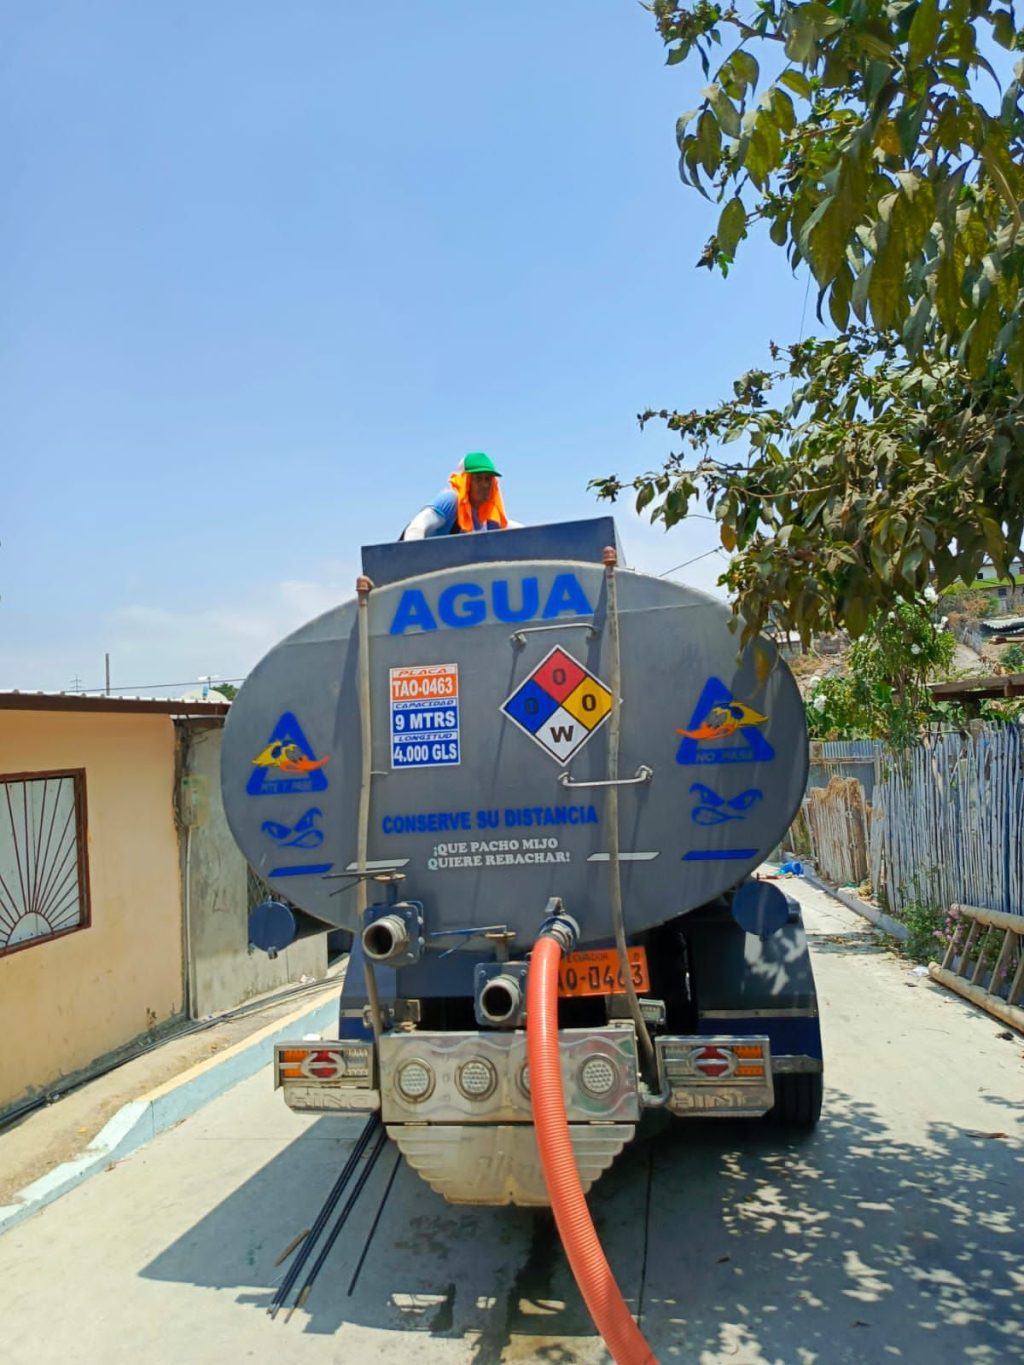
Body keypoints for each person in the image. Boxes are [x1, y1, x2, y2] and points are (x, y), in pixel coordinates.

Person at [401, 452, 516, 539]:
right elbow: (415, 528)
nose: (484, 485)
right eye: (478, 479)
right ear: (465, 481)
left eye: (488, 479)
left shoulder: (489, 519)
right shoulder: (450, 501)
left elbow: (514, 530)